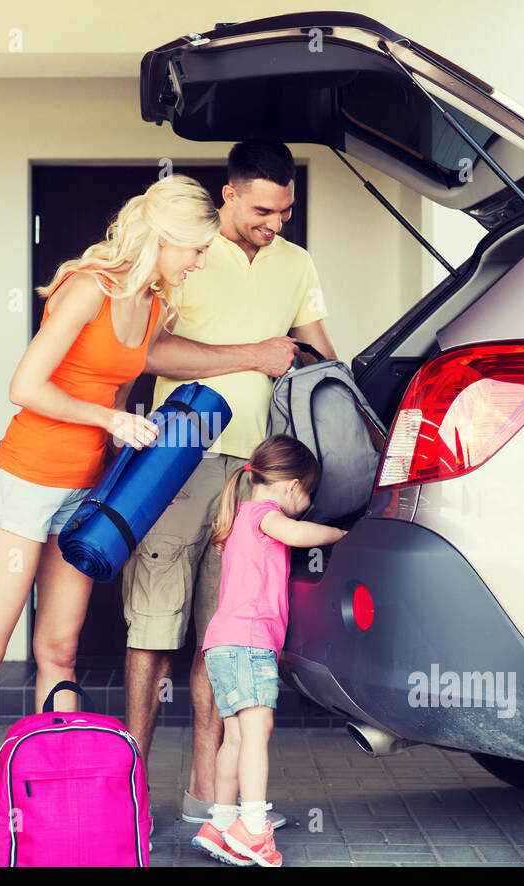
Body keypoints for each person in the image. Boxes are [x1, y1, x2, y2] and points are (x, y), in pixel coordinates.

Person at [0, 175, 220, 866]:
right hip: (25, 483)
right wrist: (109, 419)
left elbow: (117, 383)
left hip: (84, 494)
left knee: (59, 651)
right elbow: (25, 386)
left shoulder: (153, 305)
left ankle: (51, 815)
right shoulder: (90, 287)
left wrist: (128, 437)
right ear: (166, 237)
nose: (201, 261)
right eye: (197, 249)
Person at [123, 140, 339, 830]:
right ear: (230, 194)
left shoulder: (296, 263)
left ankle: (205, 797)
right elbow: (149, 351)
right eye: (262, 211)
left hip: (254, 477)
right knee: (153, 629)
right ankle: (127, 795)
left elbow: (322, 357)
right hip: (177, 460)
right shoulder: (187, 252)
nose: (274, 224)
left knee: (225, 636)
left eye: (285, 212)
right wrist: (254, 354)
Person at [189, 434, 347, 867]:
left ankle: (221, 823)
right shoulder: (266, 515)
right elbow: (297, 534)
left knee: (235, 738)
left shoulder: (241, 514)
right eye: (309, 494)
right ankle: (255, 828)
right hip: (249, 642)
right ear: (293, 486)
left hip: (222, 644)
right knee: (258, 734)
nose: (307, 503)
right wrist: (342, 535)